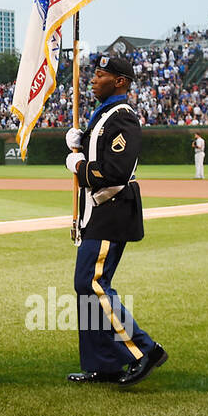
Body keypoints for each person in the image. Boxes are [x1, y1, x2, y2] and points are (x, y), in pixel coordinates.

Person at [64, 55, 167, 387]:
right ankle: (103, 363)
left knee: (93, 284)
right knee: (87, 286)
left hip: (111, 209)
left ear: (120, 81)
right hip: (98, 212)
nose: (93, 80)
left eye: (100, 75)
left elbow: (114, 172)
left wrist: (78, 166)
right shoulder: (105, 115)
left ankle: (144, 350)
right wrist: (83, 142)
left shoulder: (122, 117)